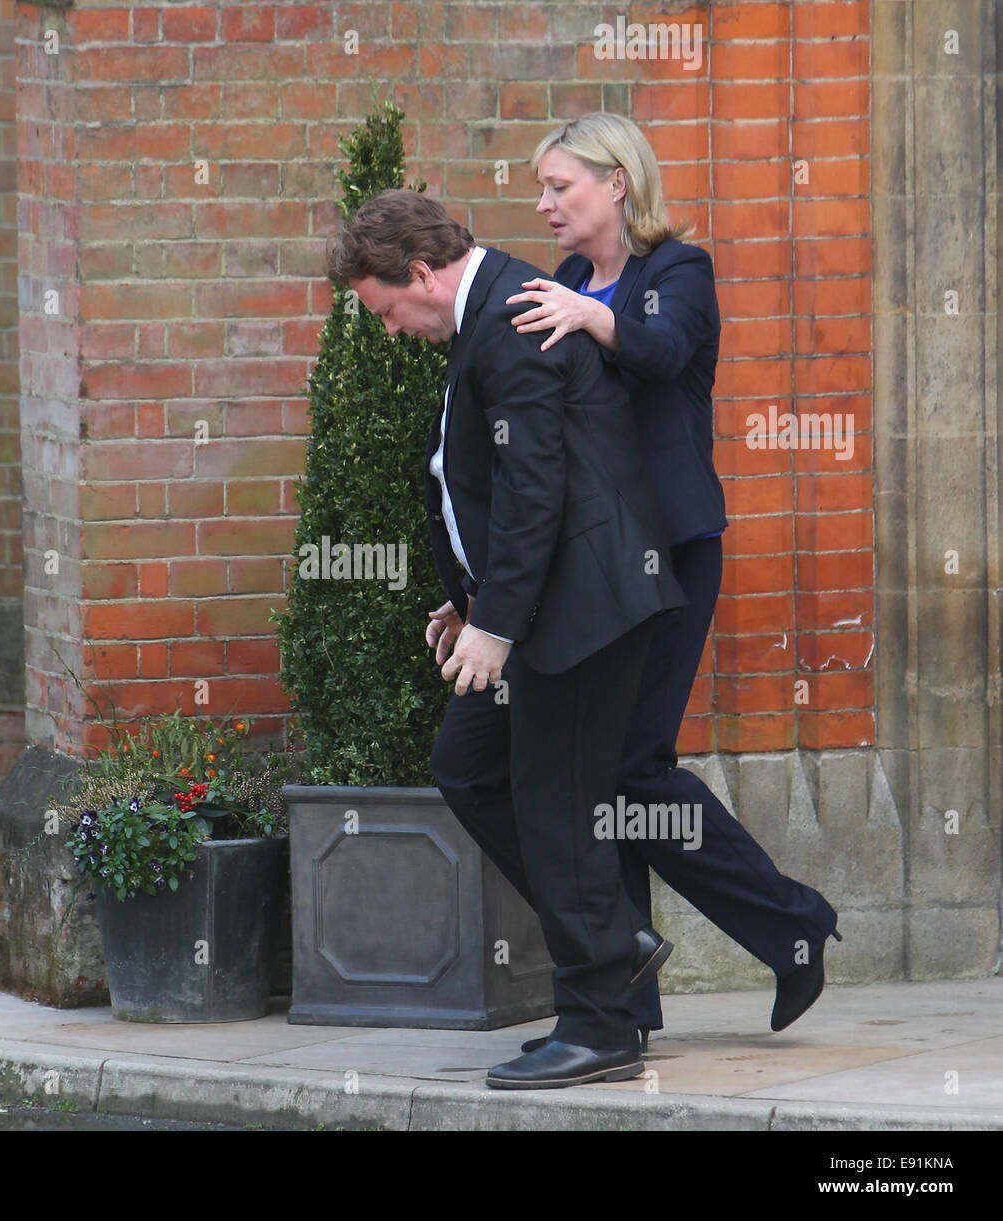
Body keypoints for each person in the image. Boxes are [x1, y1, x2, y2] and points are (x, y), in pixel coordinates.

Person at [326, 186, 687, 1088]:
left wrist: (494, 624)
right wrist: (473, 602)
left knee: (553, 808)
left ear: (418, 273)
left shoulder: (512, 320)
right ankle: (616, 942)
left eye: (384, 310)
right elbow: (482, 481)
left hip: (588, 613)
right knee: (469, 767)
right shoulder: (488, 313)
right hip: (543, 610)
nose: (388, 330)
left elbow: (538, 492)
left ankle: (601, 1023)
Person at [499, 113, 841, 1053]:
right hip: (596, 571)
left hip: (673, 554)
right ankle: (630, 1004)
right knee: (602, 775)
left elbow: (662, 352)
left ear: (617, 183)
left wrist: (593, 316)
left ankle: (788, 922)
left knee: (628, 768)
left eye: (559, 186)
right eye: (541, 190)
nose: (544, 205)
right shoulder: (565, 284)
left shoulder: (678, 272)